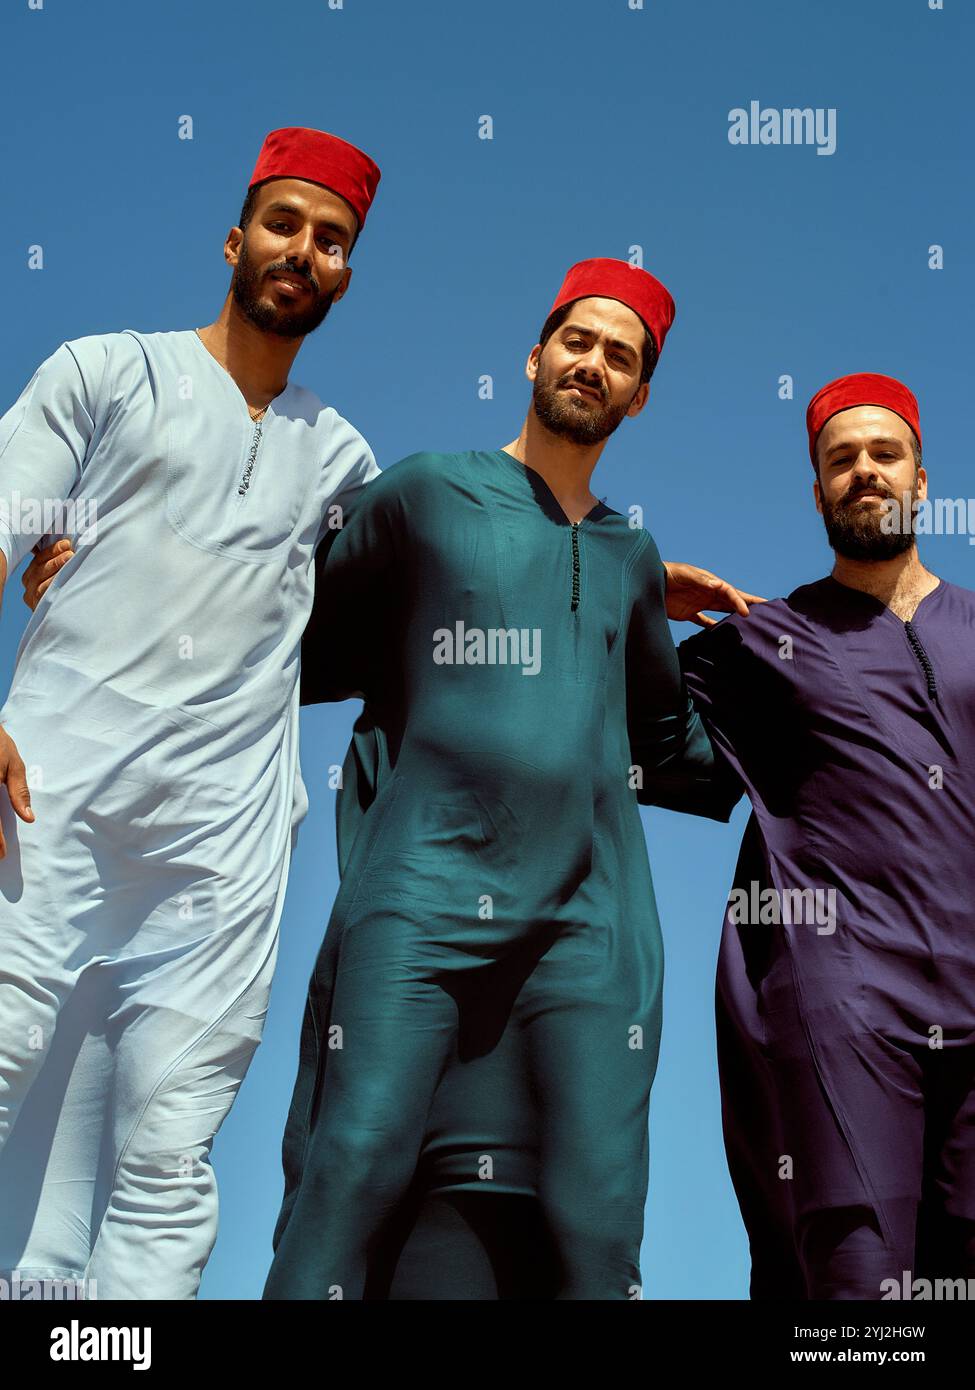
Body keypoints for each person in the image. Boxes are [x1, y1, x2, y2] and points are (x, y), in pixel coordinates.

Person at [262, 257, 759, 1301]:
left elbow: (671, 742)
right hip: (423, 887)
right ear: (536, 356)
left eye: (621, 356)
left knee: (597, 1211)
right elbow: (278, 637)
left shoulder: (630, 552)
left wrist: (815, 699)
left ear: (641, 395)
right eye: (579, 341)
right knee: (354, 1160)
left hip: (584, 920)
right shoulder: (424, 493)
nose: (594, 363)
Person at [0, 125, 382, 1299]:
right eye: (285, 224)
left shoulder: (343, 462)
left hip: (218, 857)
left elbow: (439, 588)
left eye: (333, 241)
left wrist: (620, 567)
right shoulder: (107, 373)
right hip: (47, 804)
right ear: (235, 236)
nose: (304, 253)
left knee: (166, 1155)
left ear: (346, 274)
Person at [648, 372, 975, 1299]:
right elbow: (610, 716)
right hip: (843, 999)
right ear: (817, 488)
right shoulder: (767, 639)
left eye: (883, 455)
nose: (862, 472)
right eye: (840, 460)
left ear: (921, 478)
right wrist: (638, 590)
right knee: (854, 1276)